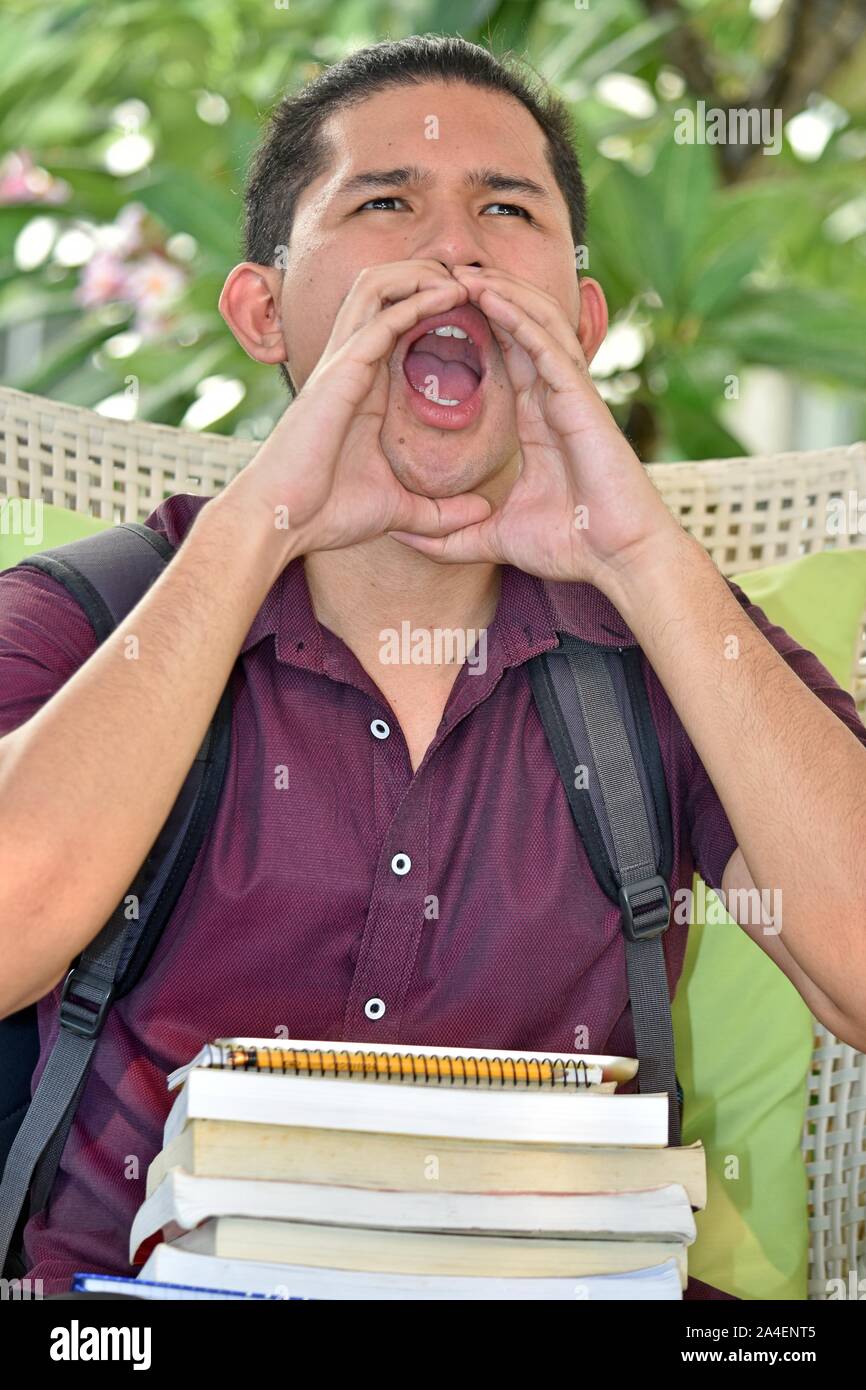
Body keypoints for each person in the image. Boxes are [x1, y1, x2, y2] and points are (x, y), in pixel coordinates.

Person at [2, 34, 865, 1302]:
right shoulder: (82, 614)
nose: (448, 247)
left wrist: (640, 554)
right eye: (384, 202)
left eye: (504, 207)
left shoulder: (674, 632)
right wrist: (266, 522)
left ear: (576, 320)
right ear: (261, 310)